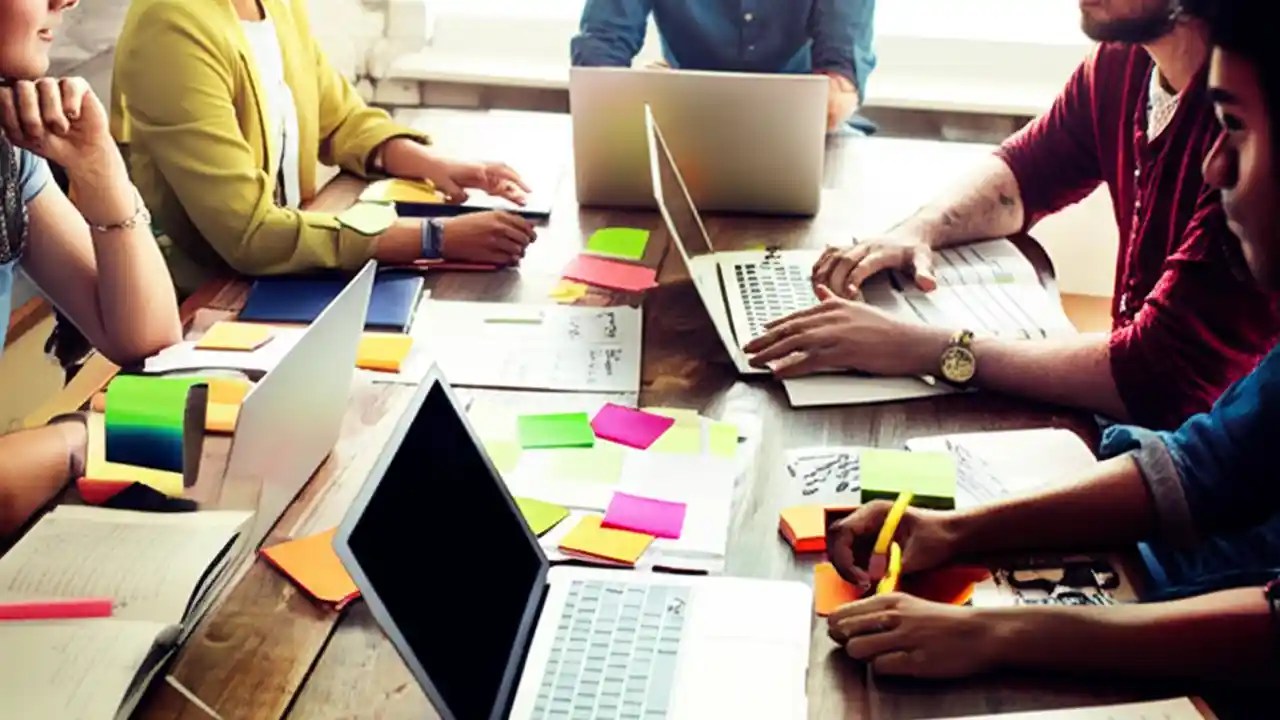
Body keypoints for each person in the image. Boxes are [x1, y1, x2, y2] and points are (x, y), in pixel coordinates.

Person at [822, 0, 1280, 682]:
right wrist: (957, 529)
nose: (1216, 166)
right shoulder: (1124, 67)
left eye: (1235, 128)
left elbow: (1153, 382)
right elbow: (1198, 468)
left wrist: (1002, 633)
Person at [745, 0, 1280, 431]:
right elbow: (1024, 172)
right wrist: (916, 230)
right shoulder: (1123, 63)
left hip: (1202, 469)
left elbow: (1154, 378)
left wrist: (920, 347)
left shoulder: (1248, 127)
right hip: (1139, 436)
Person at [110, 0, 539, 296]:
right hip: (201, 297)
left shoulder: (274, 5)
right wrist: (435, 238)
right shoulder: (171, 25)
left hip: (285, 269)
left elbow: (338, 117)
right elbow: (249, 235)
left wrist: (430, 163)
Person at [0, 0, 182, 535]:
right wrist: (80, 436)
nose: (65, 1)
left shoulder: (10, 156)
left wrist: (99, 167)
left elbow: (147, 339)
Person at [570, 0, 877, 134]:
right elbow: (602, 46)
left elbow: (839, 77)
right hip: (682, 125)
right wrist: (618, 113)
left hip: (807, 128)